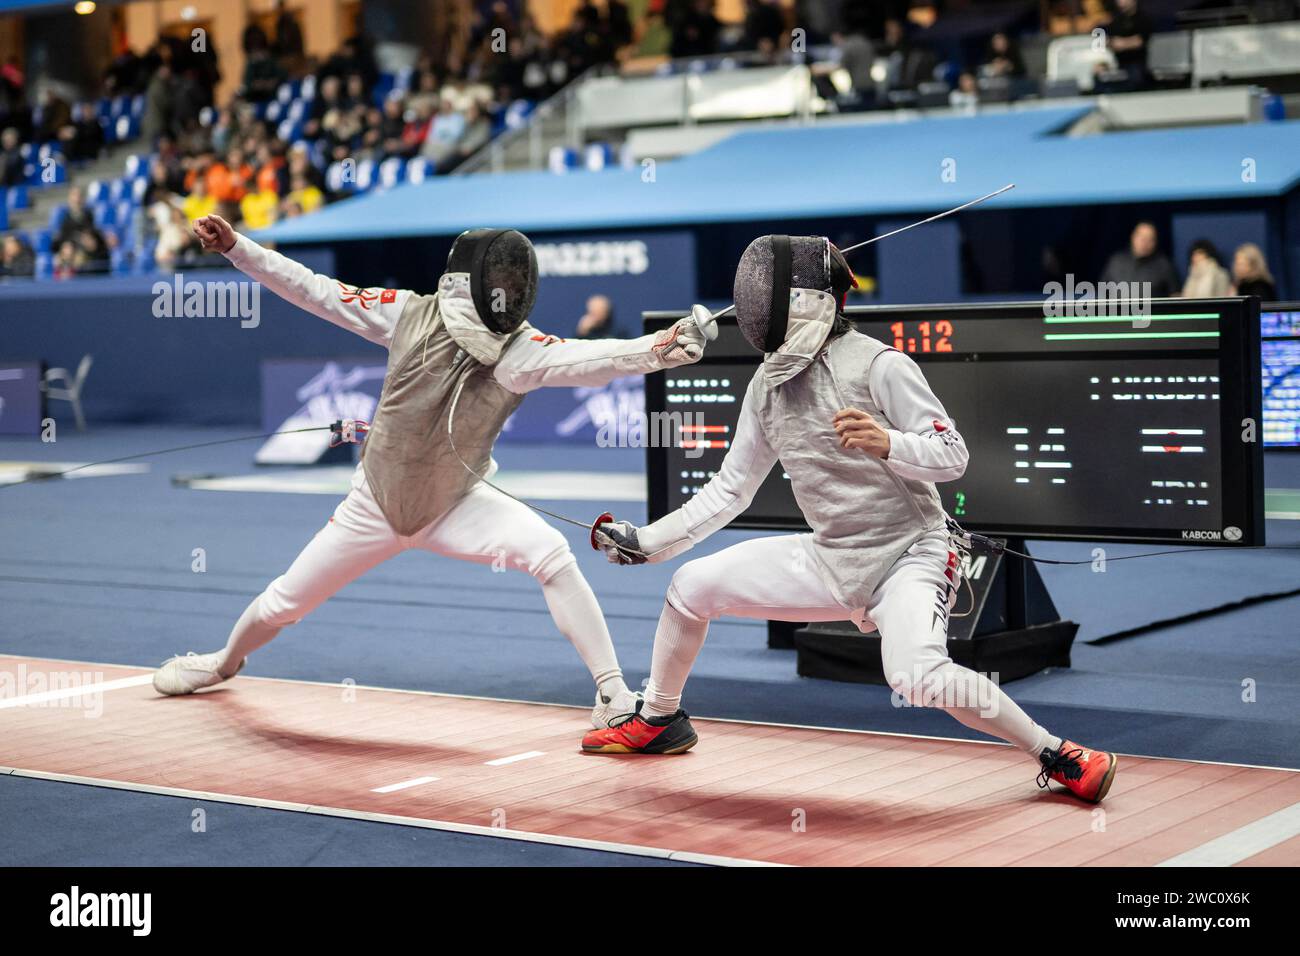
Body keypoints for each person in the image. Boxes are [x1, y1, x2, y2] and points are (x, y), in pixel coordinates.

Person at [583, 234, 1118, 804]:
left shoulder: (880, 364)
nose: (756, 311)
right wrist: (647, 541)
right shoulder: (767, 384)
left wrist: (890, 443)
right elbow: (731, 489)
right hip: (831, 554)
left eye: (768, 296)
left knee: (916, 676)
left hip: (910, 554)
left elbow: (954, 454)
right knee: (691, 587)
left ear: (808, 301)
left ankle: (1056, 753)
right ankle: (661, 720)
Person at [151, 216, 711, 731]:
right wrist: (238, 249)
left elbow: (594, 359)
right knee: (282, 605)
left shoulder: (518, 351)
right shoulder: (407, 313)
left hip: (457, 505)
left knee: (552, 555)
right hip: (373, 505)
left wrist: (661, 348)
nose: (508, 294)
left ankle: (612, 693)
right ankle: (223, 663)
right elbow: (316, 291)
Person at [1100, 221, 1180, 299]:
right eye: (1141, 237)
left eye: (1150, 239)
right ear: (1133, 237)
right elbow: (1102, 291)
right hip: (1117, 311)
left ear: (1155, 242)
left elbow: (1175, 295)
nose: (1144, 242)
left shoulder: (1164, 265)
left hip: (1151, 311)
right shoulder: (1116, 261)